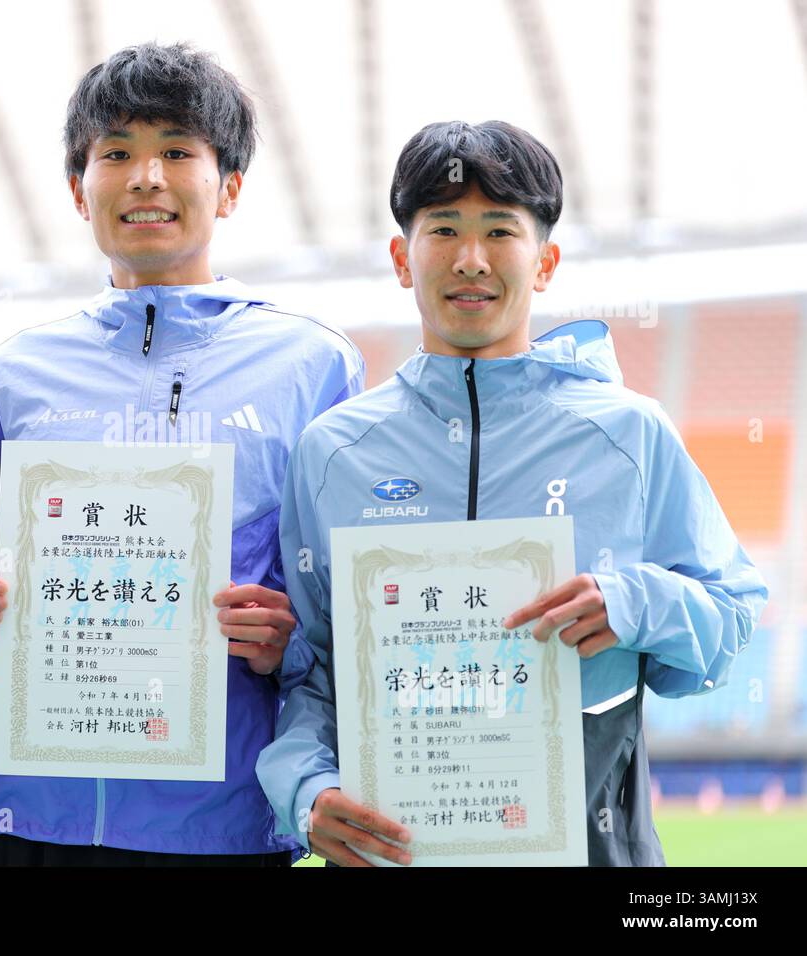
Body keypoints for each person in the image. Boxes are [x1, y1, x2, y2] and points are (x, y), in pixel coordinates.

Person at [255, 120, 769, 866]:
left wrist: (633, 604)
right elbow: (313, 668)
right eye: (443, 230)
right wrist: (308, 791)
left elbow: (732, 617)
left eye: (500, 230)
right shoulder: (332, 453)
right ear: (402, 258)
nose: (471, 260)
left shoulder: (631, 433)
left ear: (547, 260)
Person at [0, 42, 365, 865]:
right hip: (40, 823)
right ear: (78, 188)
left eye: (178, 150)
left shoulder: (313, 365)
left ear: (231, 185)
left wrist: (291, 645)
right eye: (117, 153)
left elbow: (346, 597)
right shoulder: (18, 372)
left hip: (227, 825)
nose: (146, 177)